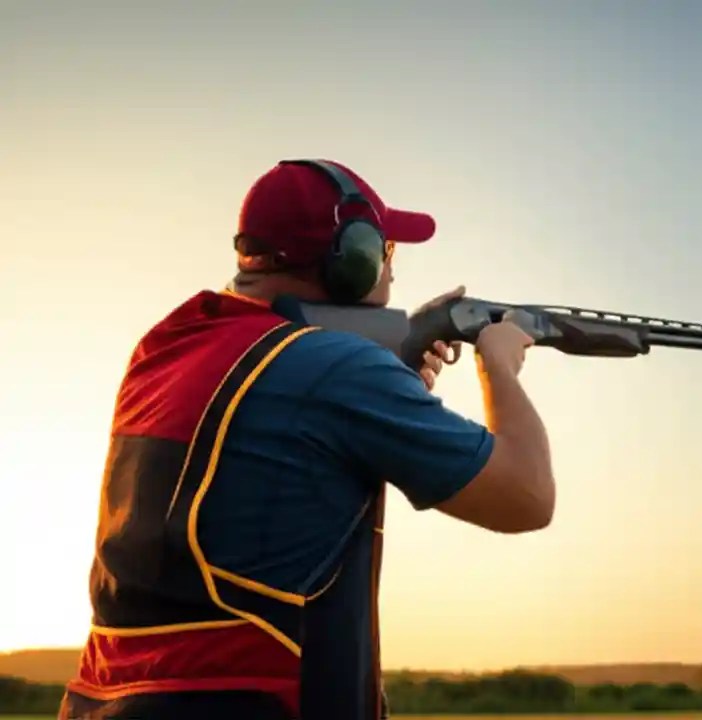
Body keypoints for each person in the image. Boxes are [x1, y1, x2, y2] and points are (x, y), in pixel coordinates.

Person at [58, 159, 556, 720]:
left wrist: (389, 380)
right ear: (353, 258)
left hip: (114, 702)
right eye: (386, 251)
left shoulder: (165, 348)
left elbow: (276, 444)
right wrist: (499, 365)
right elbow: (526, 497)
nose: (391, 273)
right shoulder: (338, 366)